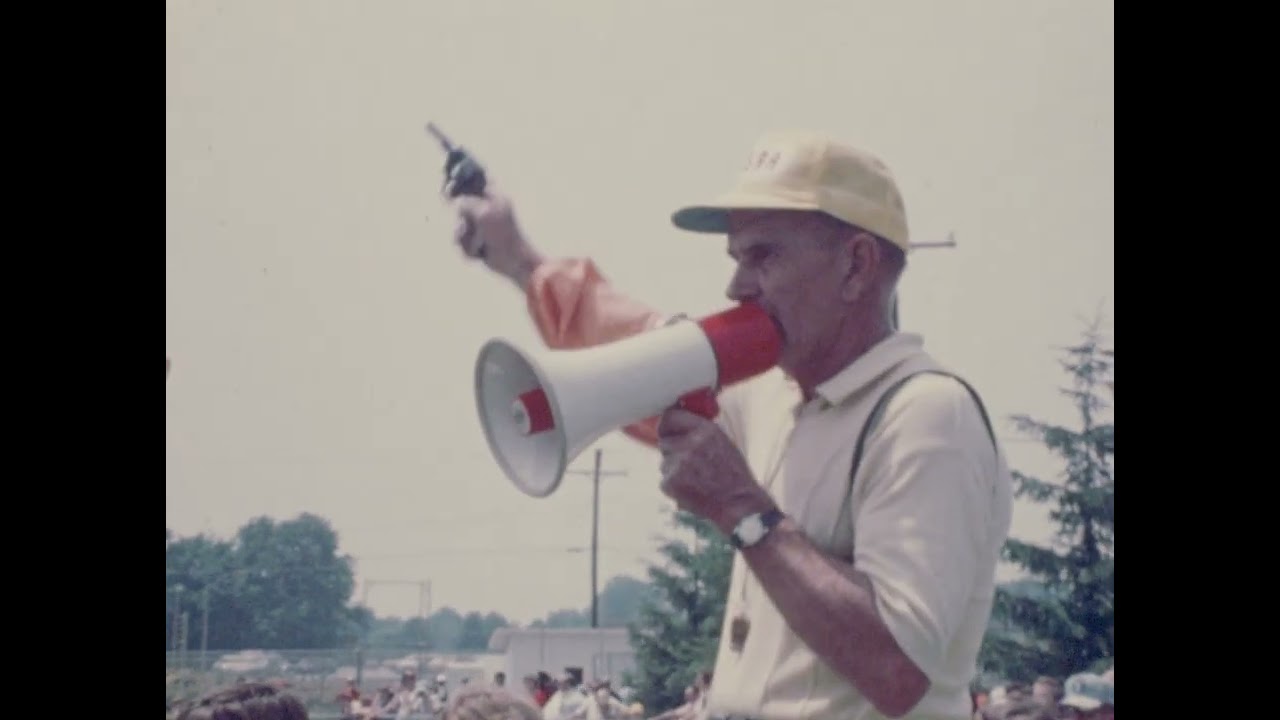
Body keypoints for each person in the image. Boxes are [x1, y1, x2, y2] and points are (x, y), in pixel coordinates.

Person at [446, 129, 1014, 719]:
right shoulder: (769, 391)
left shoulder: (926, 415)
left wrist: (743, 509)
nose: (736, 286)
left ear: (856, 265)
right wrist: (519, 259)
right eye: (738, 258)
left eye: (764, 255)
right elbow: (636, 341)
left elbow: (900, 668)